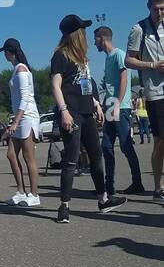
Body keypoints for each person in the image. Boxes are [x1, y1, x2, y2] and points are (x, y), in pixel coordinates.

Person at [50, 15, 125, 223]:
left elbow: (86, 86)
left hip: (86, 112)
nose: (84, 35)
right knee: (71, 159)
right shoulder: (60, 55)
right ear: (75, 34)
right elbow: (56, 85)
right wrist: (63, 110)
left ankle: (103, 200)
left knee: (96, 155)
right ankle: (64, 206)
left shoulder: (82, 58)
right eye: (82, 30)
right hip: (70, 112)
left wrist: (96, 103)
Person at [94, 25, 144, 197]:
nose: (94, 44)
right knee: (106, 147)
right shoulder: (108, 58)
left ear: (102, 38)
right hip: (109, 107)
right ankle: (109, 186)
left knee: (125, 146)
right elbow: (109, 86)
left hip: (120, 108)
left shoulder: (119, 55)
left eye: (95, 40)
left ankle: (137, 183)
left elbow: (124, 79)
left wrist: (116, 104)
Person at [125, 0, 164, 200]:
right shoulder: (139, 29)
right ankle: (158, 187)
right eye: (156, 9)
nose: (160, 13)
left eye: (163, 9)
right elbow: (128, 60)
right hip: (155, 93)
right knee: (160, 141)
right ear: (148, 6)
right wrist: (152, 65)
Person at [0, 38, 41, 207]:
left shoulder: (22, 70)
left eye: (5, 52)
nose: (4, 55)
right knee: (11, 154)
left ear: (11, 51)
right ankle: (21, 191)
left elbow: (25, 97)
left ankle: (34, 194)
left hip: (27, 117)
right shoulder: (16, 70)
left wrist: (16, 121)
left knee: (28, 156)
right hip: (18, 117)